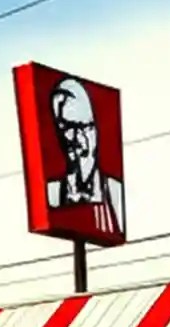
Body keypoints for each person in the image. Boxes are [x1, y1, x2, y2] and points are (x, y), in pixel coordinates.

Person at [45, 77, 125, 237]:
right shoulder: (52, 194)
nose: (73, 138)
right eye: (65, 128)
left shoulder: (114, 192)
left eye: (80, 126)